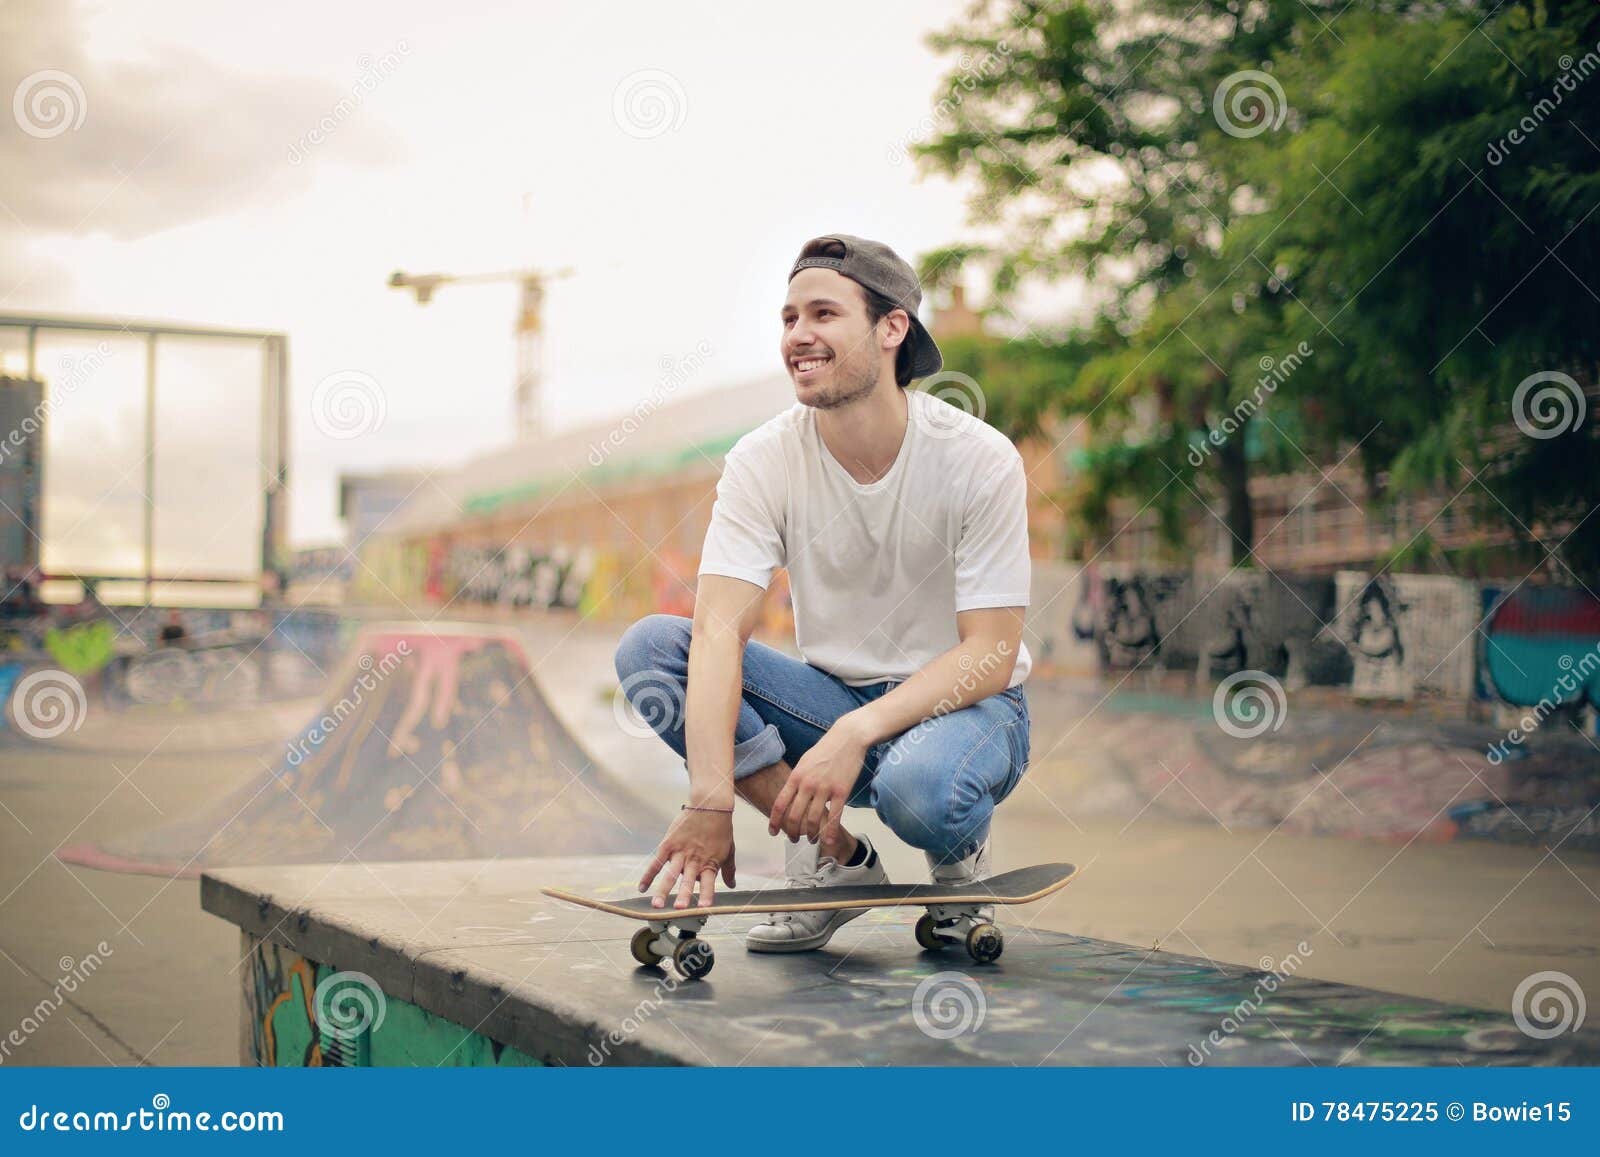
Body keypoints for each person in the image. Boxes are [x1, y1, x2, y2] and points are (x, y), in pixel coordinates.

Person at [616, 233, 1032, 953]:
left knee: (917, 789)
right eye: (787, 319)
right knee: (654, 648)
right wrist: (711, 799)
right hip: (831, 701)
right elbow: (718, 632)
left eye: (823, 314)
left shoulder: (977, 459)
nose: (798, 337)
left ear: (892, 328)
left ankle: (958, 863)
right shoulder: (763, 459)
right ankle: (835, 860)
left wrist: (856, 733)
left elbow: (991, 654)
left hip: (969, 711)